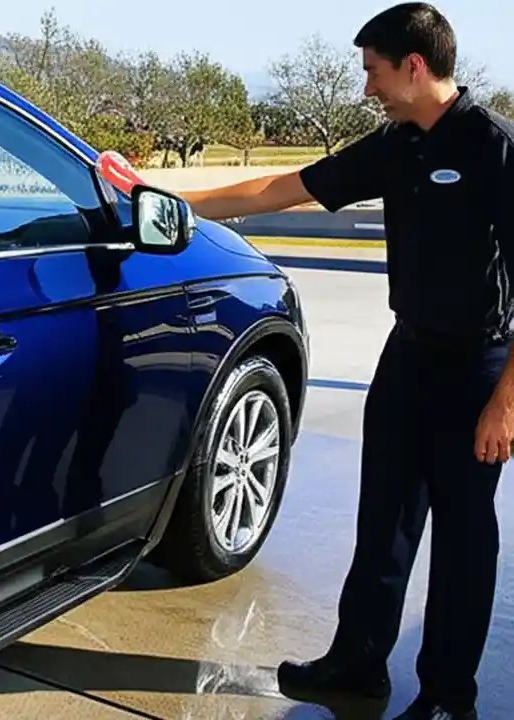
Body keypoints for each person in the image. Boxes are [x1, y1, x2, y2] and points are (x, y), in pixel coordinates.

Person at [177, 4, 513, 719]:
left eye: (374, 71)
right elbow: (285, 187)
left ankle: (449, 697)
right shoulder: (397, 145)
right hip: (407, 356)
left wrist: (506, 402)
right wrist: (176, 201)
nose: (368, 88)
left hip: (479, 367)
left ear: (414, 66)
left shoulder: (495, 148)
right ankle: (358, 662)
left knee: (463, 539)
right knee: (383, 516)